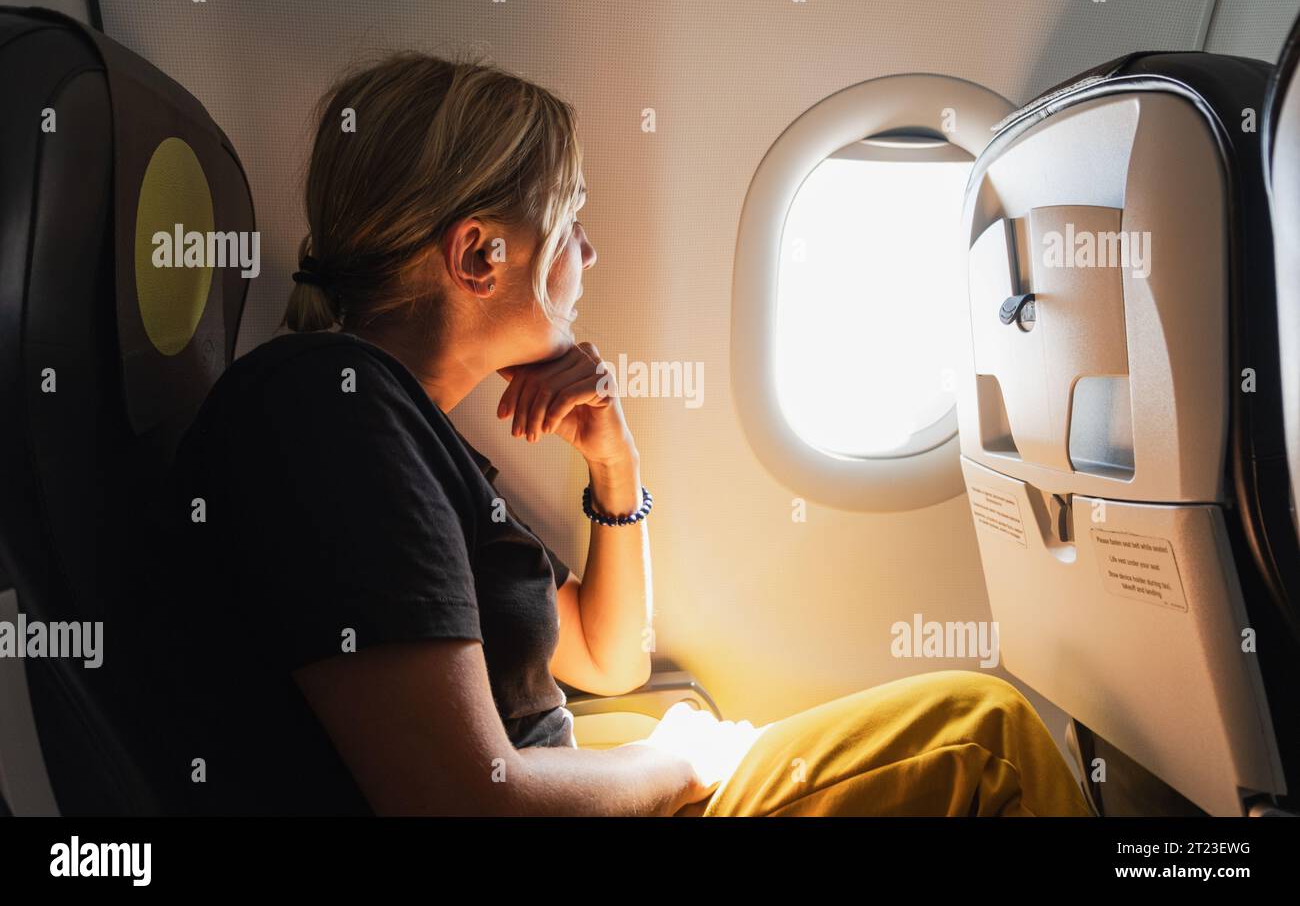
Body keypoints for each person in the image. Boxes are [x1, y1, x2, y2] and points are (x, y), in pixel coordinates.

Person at [159, 52, 1093, 817]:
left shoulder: (397, 429)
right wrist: (677, 763)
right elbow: (463, 802)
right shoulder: (330, 414)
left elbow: (609, 658)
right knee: (985, 735)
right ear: (481, 255)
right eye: (570, 224)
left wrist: (615, 465)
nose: (590, 256)